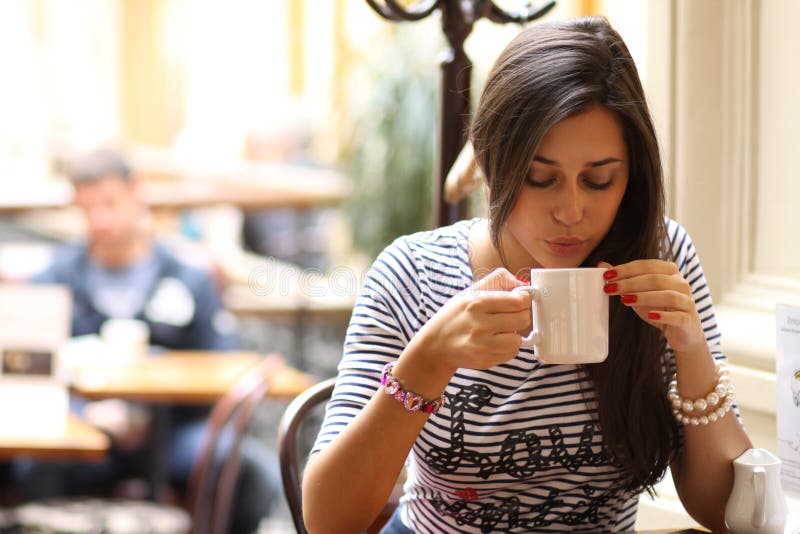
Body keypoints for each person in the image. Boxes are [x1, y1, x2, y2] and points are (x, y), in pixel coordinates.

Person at [302, 17, 752, 532]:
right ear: (494, 163)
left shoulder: (659, 258)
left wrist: (691, 350)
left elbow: (724, 513)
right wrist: (427, 362)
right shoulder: (415, 274)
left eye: (599, 180)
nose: (571, 210)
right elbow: (327, 520)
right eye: (541, 178)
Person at [13, 149, 280, 534]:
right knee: (32, 463)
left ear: (137, 191)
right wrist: (84, 414)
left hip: (172, 433)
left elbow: (224, 365)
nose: (100, 220)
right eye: (87, 209)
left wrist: (153, 412)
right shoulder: (55, 280)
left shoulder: (187, 279)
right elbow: (27, 372)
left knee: (247, 473)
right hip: (82, 432)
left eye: (110, 203)